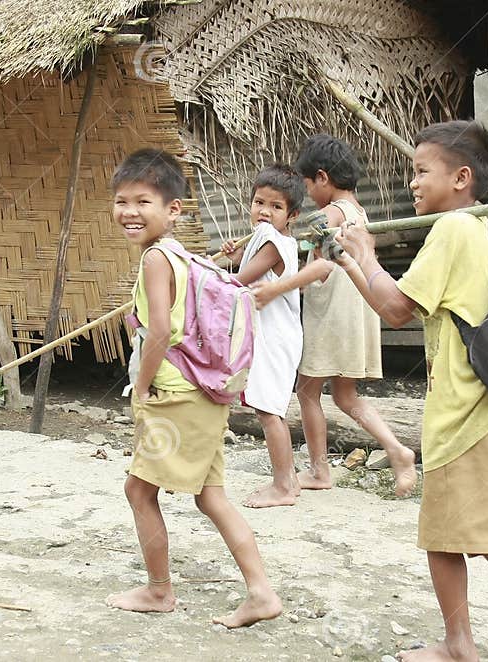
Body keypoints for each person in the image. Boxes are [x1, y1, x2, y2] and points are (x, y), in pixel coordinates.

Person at [336, 121, 488, 661]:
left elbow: (396, 309)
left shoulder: (451, 230)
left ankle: (468, 643)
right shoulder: (474, 231)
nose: (412, 183)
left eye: (422, 171)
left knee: (445, 537)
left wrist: (367, 254)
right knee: (485, 531)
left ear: (462, 178)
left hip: (465, 412)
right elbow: (394, 304)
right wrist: (353, 259)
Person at [105, 148, 282, 628]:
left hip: (175, 394)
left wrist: (140, 388)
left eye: (144, 201)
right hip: (203, 393)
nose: (130, 212)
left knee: (139, 492)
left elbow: (160, 332)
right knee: (211, 497)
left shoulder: (156, 260)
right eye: (122, 201)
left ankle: (159, 591)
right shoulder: (182, 256)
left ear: (173, 209)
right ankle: (260, 592)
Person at [252, 134, 416, 501]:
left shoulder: (330, 215)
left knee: (307, 391)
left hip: (334, 312)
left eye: (308, 184)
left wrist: (279, 288)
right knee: (345, 396)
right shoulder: (360, 211)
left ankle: (319, 470)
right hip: (358, 308)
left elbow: (323, 265)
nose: (308, 193)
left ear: (322, 177)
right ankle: (396, 448)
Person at [221, 165, 305, 508]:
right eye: (259, 203)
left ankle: (283, 486)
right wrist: (236, 256)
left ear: (292, 214)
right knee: (267, 408)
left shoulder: (274, 241)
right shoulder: (265, 237)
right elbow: (250, 266)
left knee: (268, 410)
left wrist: (196, 278)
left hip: (276, 338)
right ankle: (290, 480)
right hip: (269, 334)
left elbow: (241, 281)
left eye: (276, 207)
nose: (265, 212)